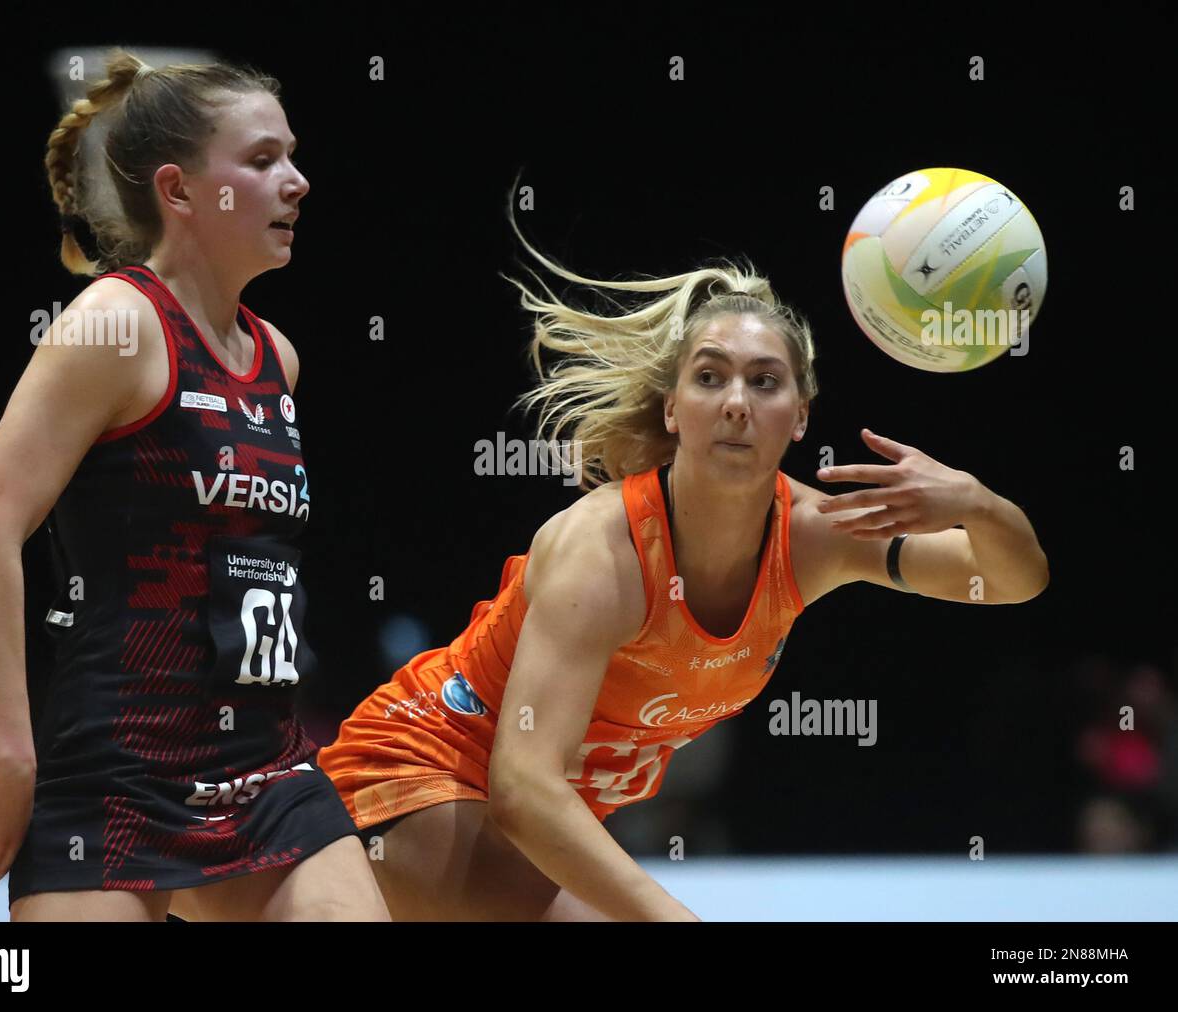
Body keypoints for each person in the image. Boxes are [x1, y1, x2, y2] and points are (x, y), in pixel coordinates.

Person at [315, 203, 1051, 921]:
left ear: (800, 415)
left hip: (514, 824)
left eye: (765, 381)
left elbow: (1016, 582)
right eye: (710, 377)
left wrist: (977, 503)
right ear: (673, 409)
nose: (737, 402)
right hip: (413, 776)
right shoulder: (604, 551)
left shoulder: (820, 535)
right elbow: (525, 788)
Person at [0, 49, 389, 922]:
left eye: (292, 156)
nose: (296, 182)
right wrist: (8, 756)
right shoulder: (115, 324)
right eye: (261, 161)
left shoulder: (276, 357)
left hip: (267, 772)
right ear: (179, 192)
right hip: (115, 773)